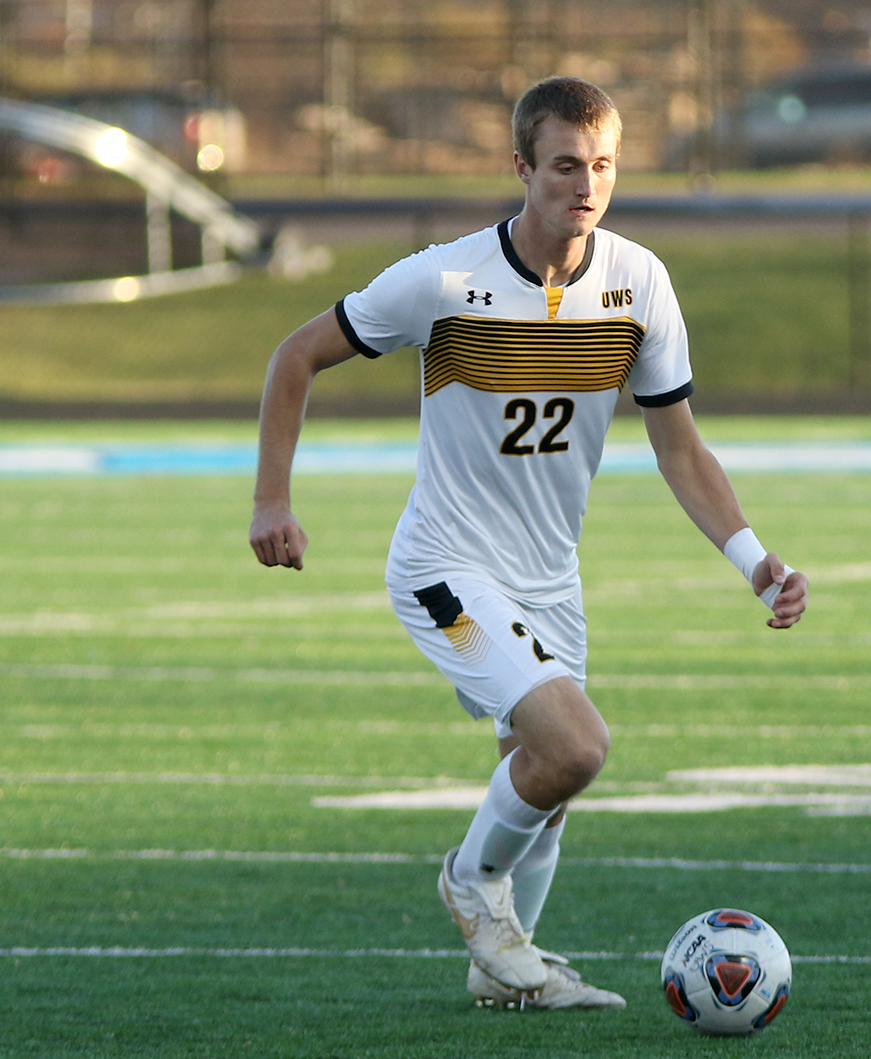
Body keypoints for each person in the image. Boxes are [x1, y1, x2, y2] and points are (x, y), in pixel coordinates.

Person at [249, 76, 809, 1011]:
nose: (584, 186)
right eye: (562, 166)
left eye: (601, 165)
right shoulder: (445, 281)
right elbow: (294, 355)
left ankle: (506, 973)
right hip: (444, 573)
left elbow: (677, 442)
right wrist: (273, 499)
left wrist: (755, 560)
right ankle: (470, 888)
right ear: (520, 168)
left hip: (549, 580)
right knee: (576, 747)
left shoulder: (639, 282)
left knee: (543, 779)